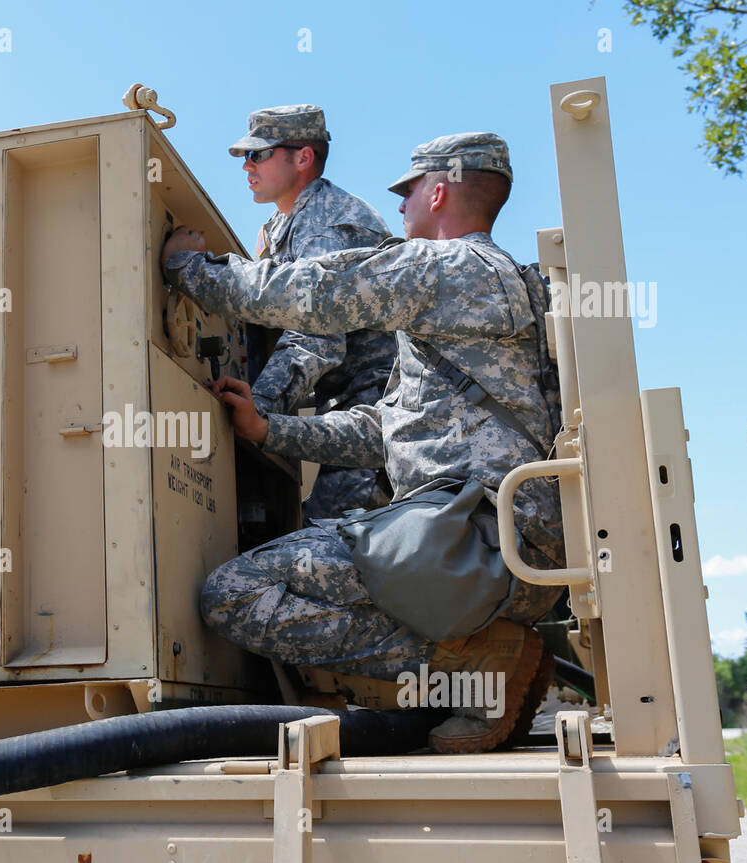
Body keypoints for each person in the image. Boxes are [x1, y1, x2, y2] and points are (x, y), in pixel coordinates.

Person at [161, 133, 565, 753]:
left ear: (437, 191)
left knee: (233, 594)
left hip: (464, 542)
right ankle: (474, 660)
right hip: (516, 551)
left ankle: (473, 668)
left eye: (408, 193)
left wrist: (191, 267)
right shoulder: (514, 287)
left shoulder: (444, 267)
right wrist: (273, 430)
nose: (400, 209)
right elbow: (386, 430)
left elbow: (306, 294)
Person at [225, 105, 396, 520]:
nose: (247, 165)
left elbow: (317, 336)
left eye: (259, 154)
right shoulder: (285, 223)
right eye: (246, 156)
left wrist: (258, 410)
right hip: (343, 414)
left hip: (370, 418)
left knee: (341, 549)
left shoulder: (329, 224)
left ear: (303, 158)